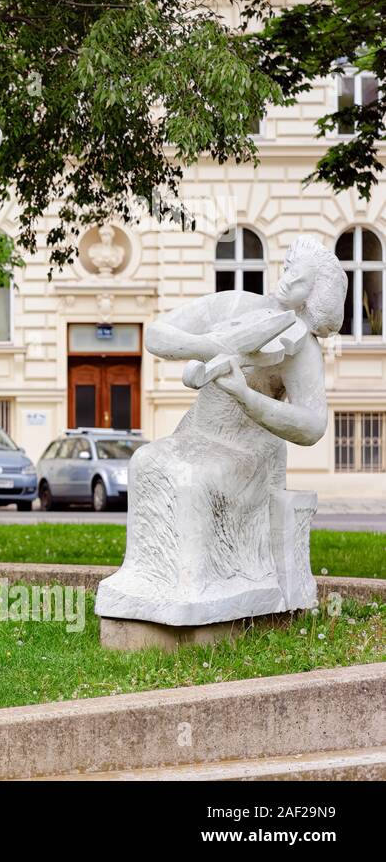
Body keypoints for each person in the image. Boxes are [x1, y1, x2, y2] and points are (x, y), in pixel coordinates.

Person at [98, 235, 348, 618]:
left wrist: (248, 398)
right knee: (144, 461)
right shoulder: (234, 304)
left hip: (248, 450)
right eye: (289, 270)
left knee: (192, 479)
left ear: (313, 296)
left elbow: (312, 425)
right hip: (197, 431)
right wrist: (212, 347)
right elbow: (156, 335)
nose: (286, 282)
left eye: (301, 281)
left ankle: (196, 588)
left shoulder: (301, 347)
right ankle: (145, 579)